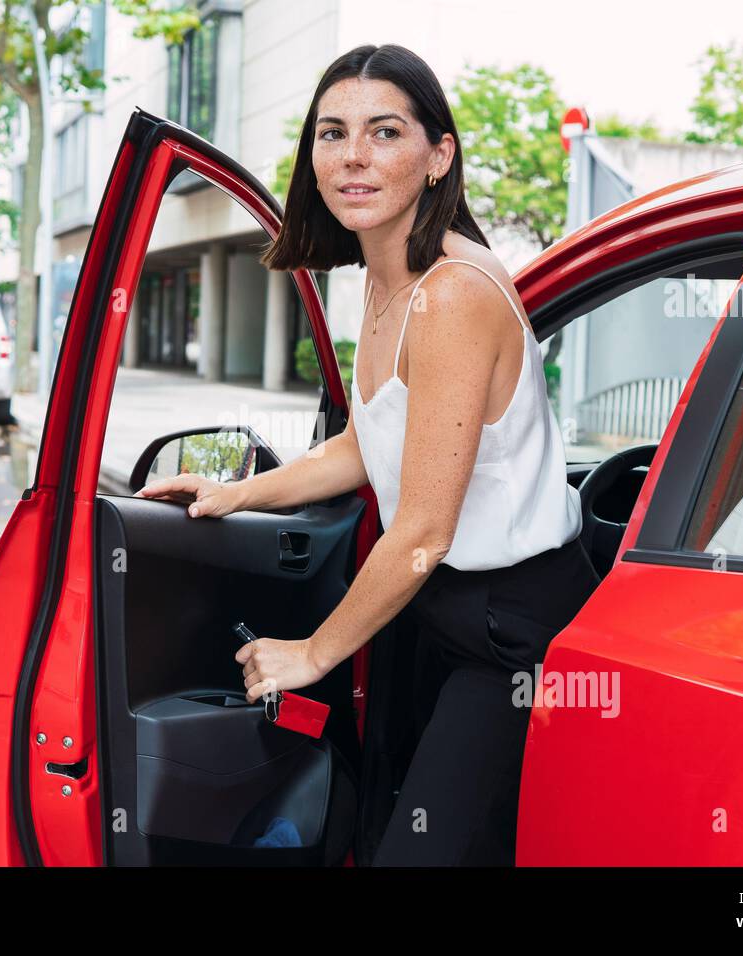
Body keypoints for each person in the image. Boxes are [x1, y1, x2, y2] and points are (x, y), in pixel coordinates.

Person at [135, 43, 600, 865]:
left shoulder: (452, 295)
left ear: (437, 156)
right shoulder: (383, 280)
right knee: (377, 829)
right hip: (437, 613)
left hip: (513, 635)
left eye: (385, 132)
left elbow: (421, 531)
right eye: (332, 132)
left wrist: (311, 654)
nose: (352, 154)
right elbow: (366, 441)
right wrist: (236, 495)